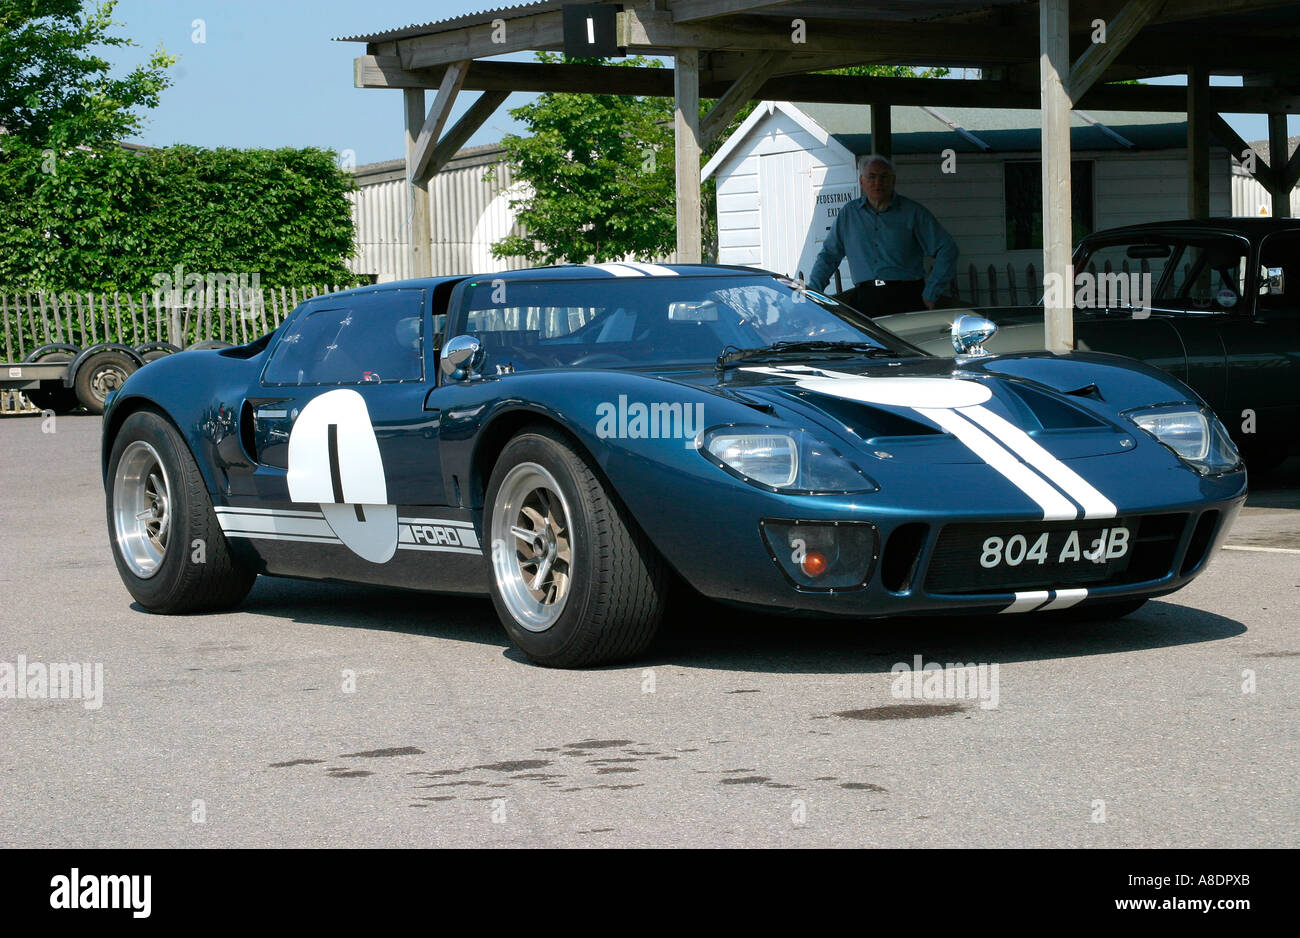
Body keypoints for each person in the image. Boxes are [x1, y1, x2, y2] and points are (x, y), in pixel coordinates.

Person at [807, 154, 958, 317]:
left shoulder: (913, 213)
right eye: (871, 177)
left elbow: (947, 249)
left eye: (884, 177)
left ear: (893, 181)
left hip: (907, 297)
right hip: (866, 299)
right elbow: (828, 256)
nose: (878, 182)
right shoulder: (849, 214)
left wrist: (931, 292)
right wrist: (813, 294)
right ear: (862, 182)